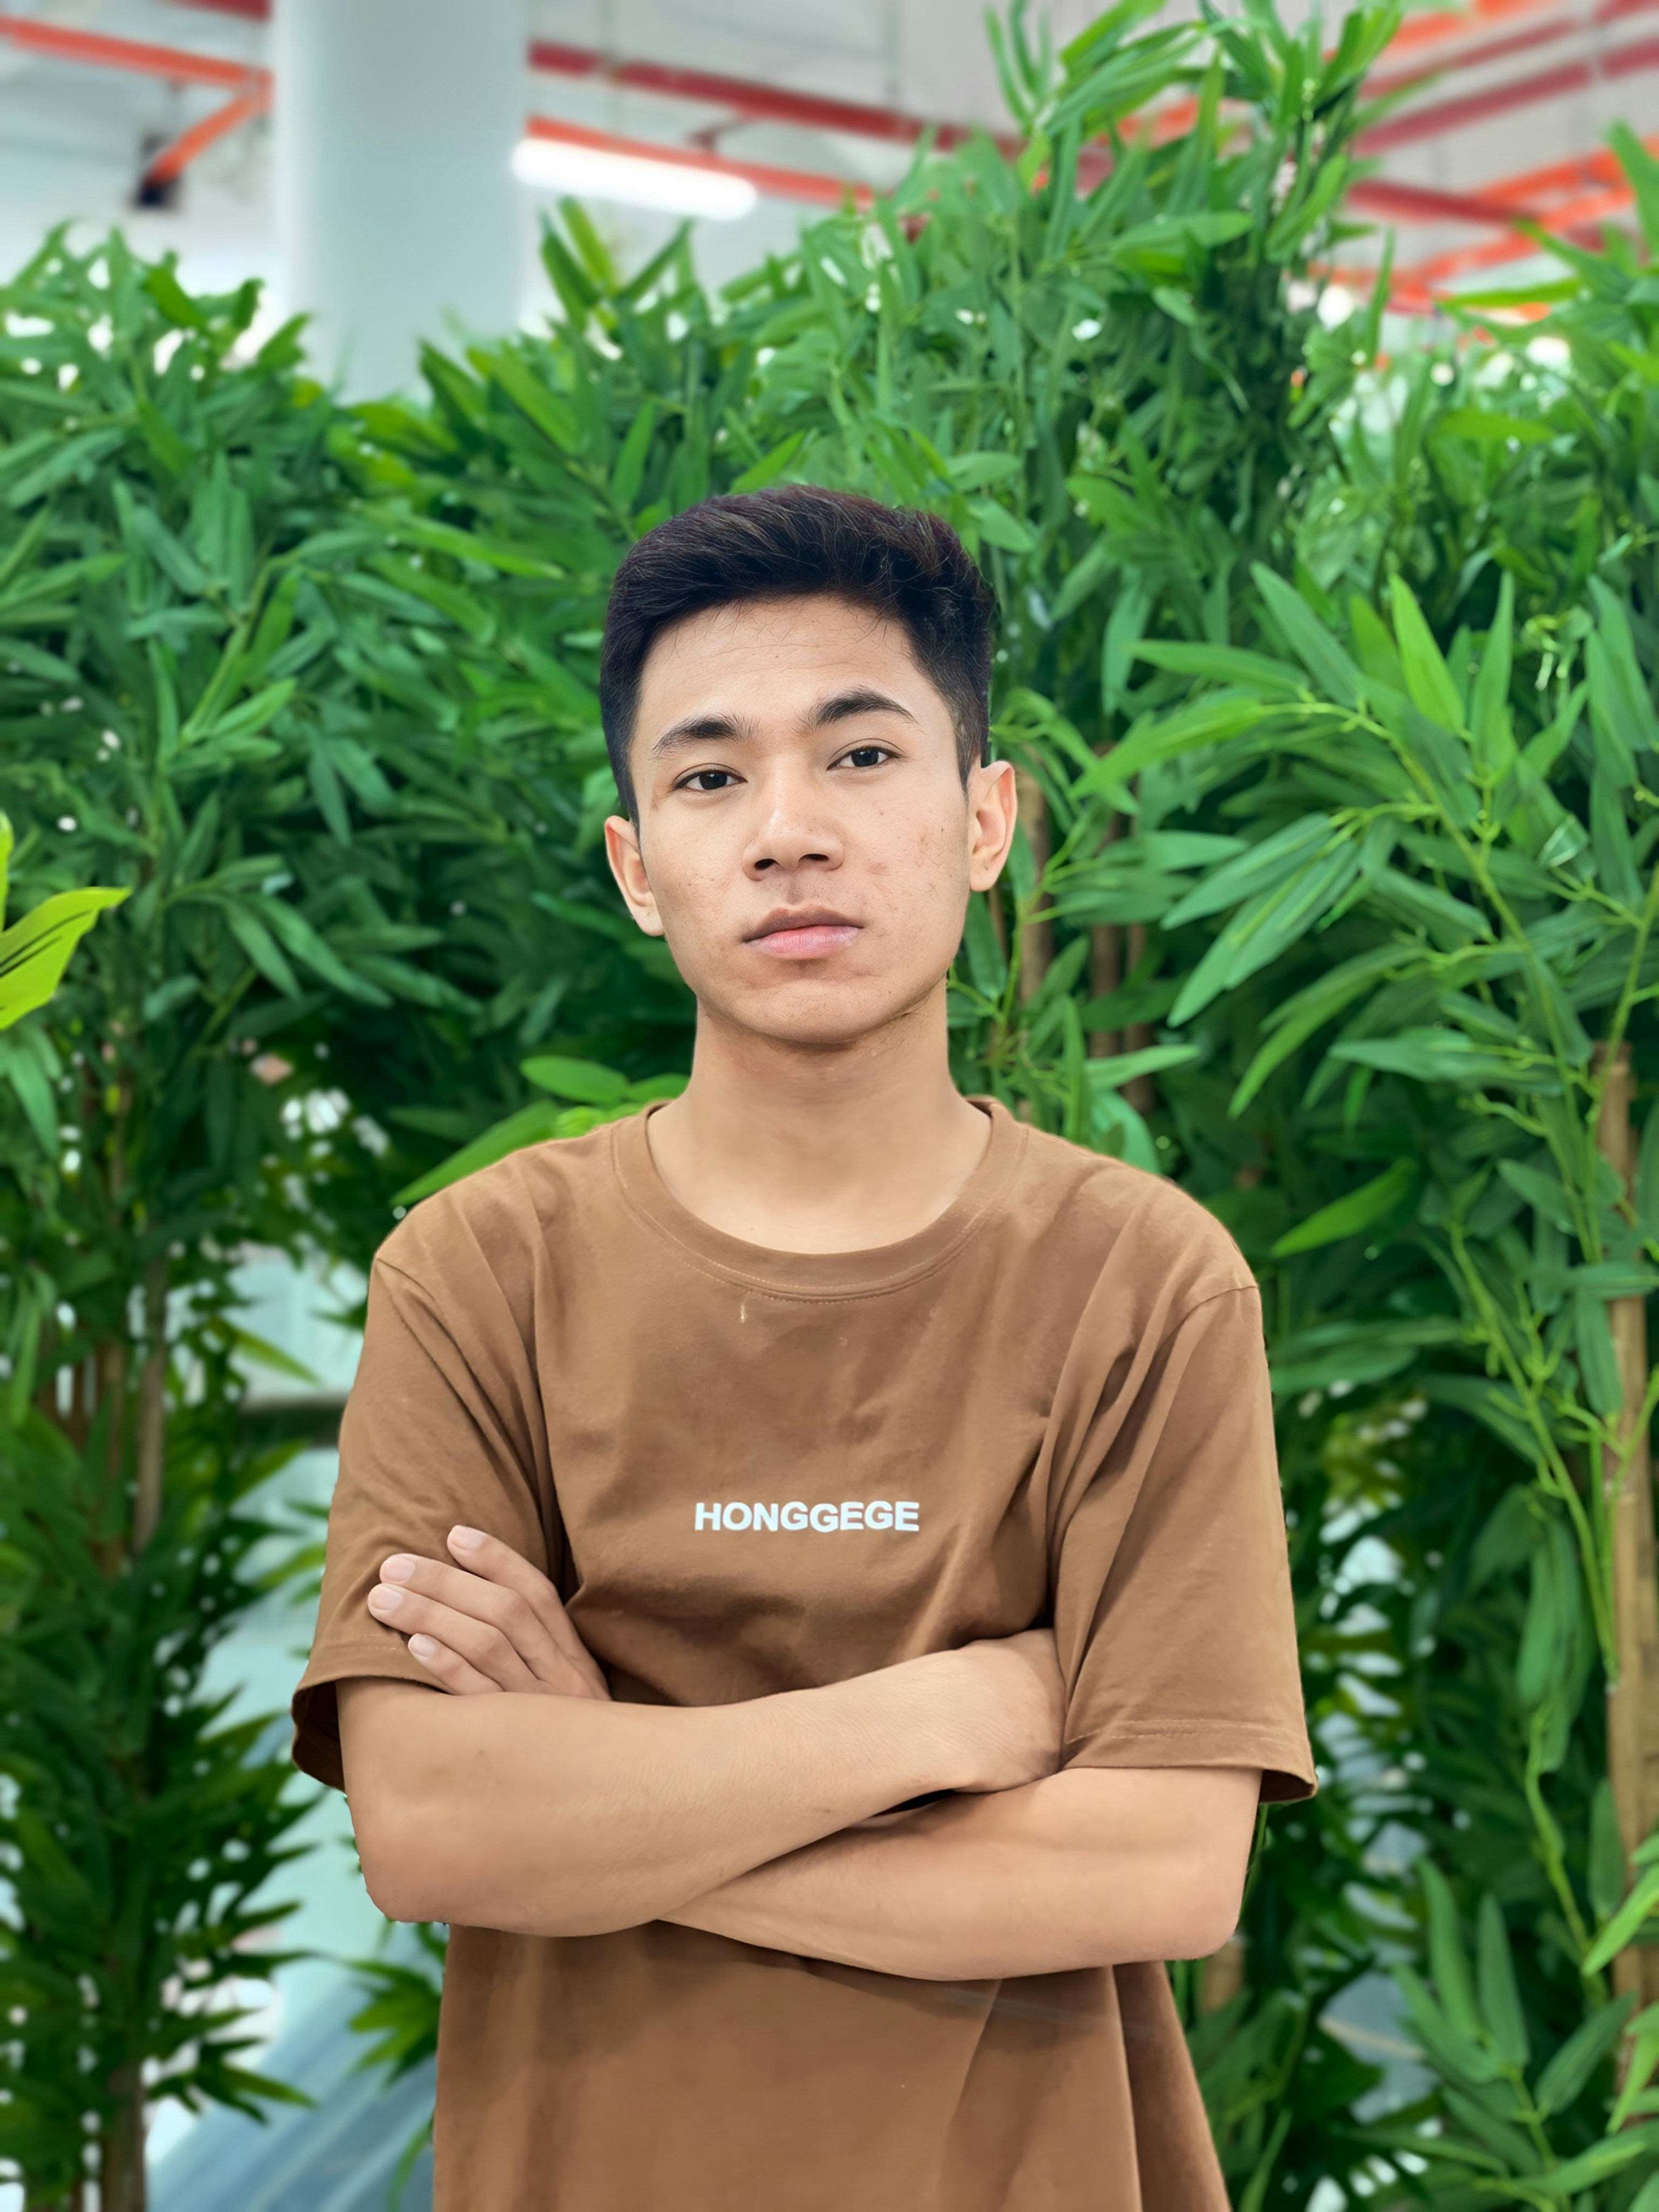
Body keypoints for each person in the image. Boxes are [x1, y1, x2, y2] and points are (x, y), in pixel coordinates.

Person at [290, 486, 1316, 2212]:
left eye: (859, 756)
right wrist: (944, 1713)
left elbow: (1160, 1867)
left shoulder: (1144, 1283)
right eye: (708, 776)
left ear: (987, 819)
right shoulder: (480, 1273)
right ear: (637, 866)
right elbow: (435, 1832)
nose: (786, 831)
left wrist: (602, 1779)